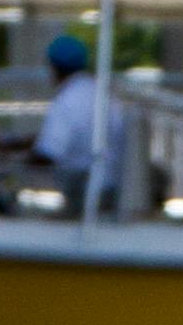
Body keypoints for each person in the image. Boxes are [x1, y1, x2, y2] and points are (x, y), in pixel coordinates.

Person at [36, 29, 127, 220]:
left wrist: (9, 159)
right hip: (114, 186)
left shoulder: (66, 100)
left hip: (84, 194)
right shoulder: (103, 94)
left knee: (36, 220)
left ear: (55, 68)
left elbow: (49, 153)